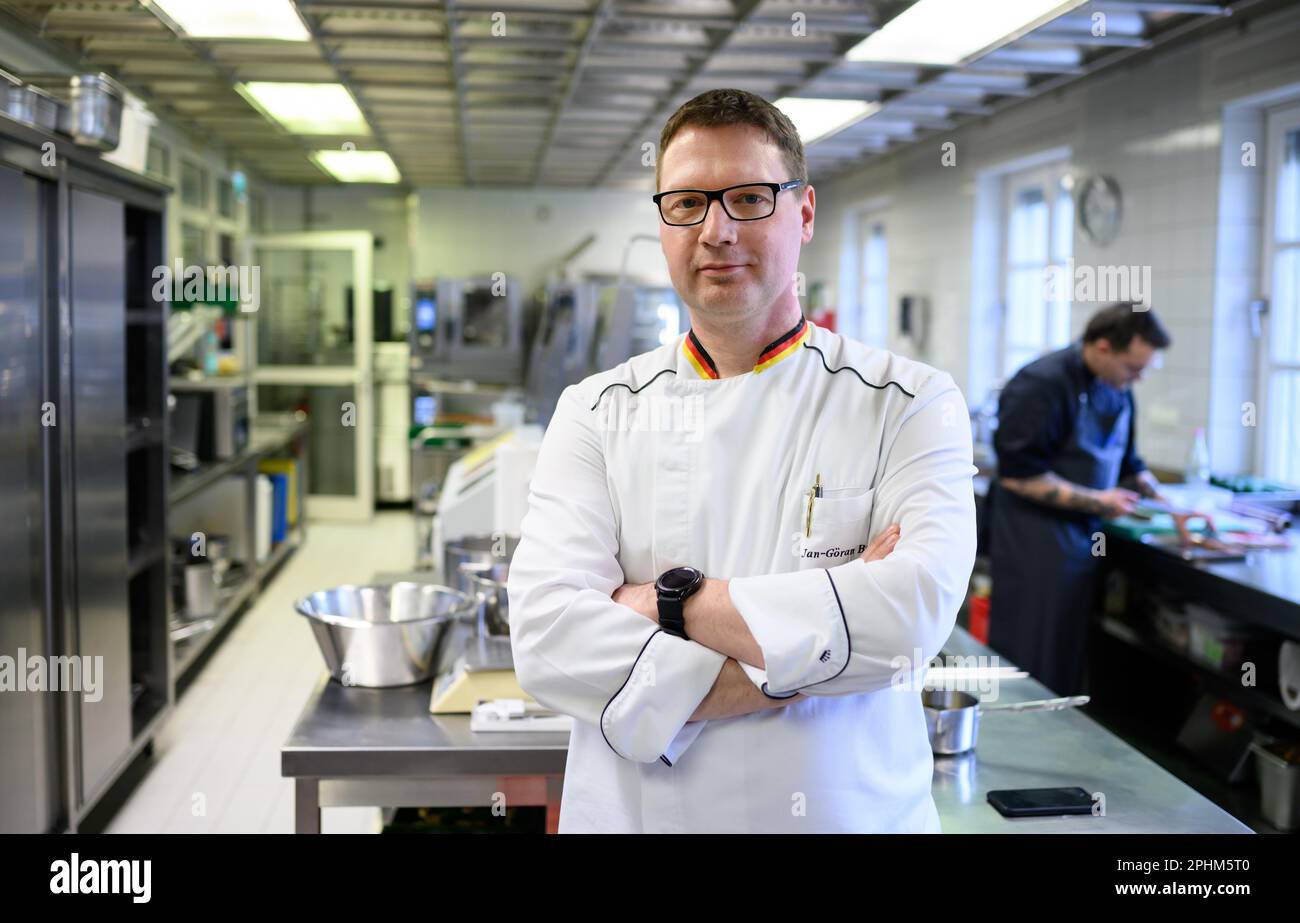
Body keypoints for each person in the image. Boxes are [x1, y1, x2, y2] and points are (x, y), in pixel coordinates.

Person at [506, 88, 976, 833]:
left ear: (806, 212)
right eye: (687, 203)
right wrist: (807, 655)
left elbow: (909, 621)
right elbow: (545, 638)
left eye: (750, 198)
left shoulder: (909, 403)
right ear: (663, 221)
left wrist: (670, 602)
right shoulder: (595, 410)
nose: (717, 230)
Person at [988, 303, 1201, 695]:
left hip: (1082, 537)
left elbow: (1130, 466)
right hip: (1034, 539)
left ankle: (1060, 729)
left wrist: (1174, 510)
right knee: (1029, 648)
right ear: (1102, 347)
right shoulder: (1042, 384)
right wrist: (1099, 501)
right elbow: (1018, 476)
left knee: (1063, 652)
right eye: (1132, 368)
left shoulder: (1117, 387)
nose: (1135, 379)